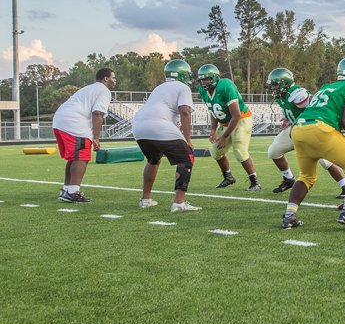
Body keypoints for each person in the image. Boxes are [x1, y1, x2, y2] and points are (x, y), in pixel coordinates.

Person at [282, 56, 345, 230]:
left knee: (306, 176)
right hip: (320, 129)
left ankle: (289, 216)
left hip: (299, 129)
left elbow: (336, 116)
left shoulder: (327, 87)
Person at [266, 67, 345, 196]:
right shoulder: (281, 96)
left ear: (285, 83)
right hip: (295, 129)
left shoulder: (297, 94)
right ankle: (288, 179)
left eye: (275, 84)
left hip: (311, 128)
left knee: (324, 160)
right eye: (272, 85)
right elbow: (295, 110)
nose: (273, 88)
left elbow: (318, 103)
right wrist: (289, 118)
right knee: (273, 151)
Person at [132, 60, 201, 212]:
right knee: (187, 157)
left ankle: (145, 199)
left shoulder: (159, 88)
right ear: (183, 74)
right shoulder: (183, 87)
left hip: (138, 124)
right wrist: (187, 140)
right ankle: (179, 203)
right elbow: (185, 111)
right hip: (157, 124)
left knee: (153, 159)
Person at [53, 67, 116, 203]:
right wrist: (96, 137)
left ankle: (67, 189)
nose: (115, 81)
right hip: (74, 121)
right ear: (106, 79)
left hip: (60, 119)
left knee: (74, 157)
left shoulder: (90, 88)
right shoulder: (104, 91)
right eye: (113, 77)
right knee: (82, 156)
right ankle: (73, 192)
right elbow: (97, 113)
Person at [197, 64, 260, 191]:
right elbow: (212, 109)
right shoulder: (203, 90)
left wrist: (224, 136)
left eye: (207, 79)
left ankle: (255, 182)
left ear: (214, 78)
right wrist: (213, 130)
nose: (204, 82)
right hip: (226, 123)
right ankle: (228, 177)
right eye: (202, 79)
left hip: (242, 118)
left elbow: (236, 115)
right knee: (215, 152)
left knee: (239, 150)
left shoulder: (226, 85)